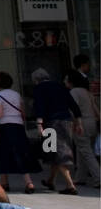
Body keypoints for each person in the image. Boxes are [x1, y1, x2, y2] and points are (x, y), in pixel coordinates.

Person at [30, 68, 81, 195]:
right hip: (66, 121)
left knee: (57, 153)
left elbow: (39, 106)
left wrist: (39, 124)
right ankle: (51, 180)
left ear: (36, 80)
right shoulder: (60, 86)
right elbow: (73, 104)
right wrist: (78, 122)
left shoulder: (39, 89)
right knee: (53, 152)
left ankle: (70, 185)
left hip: (51, 123)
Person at [0, 71, 37, 193]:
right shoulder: (16, 94)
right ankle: (29, 182)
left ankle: (4, 183)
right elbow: (23, 113)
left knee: (3, 154)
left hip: (5, 128)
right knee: (21, 153)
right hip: (18, 127)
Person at [65, 56, 100, 188]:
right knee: (83, 151)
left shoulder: (74, 92)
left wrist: (74, 124)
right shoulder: (86, 92)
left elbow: (74, 110)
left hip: (81, 123)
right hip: (92, 123)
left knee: (86, 152)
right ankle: (80, 177)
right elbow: (96, 109)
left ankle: (98, 177)